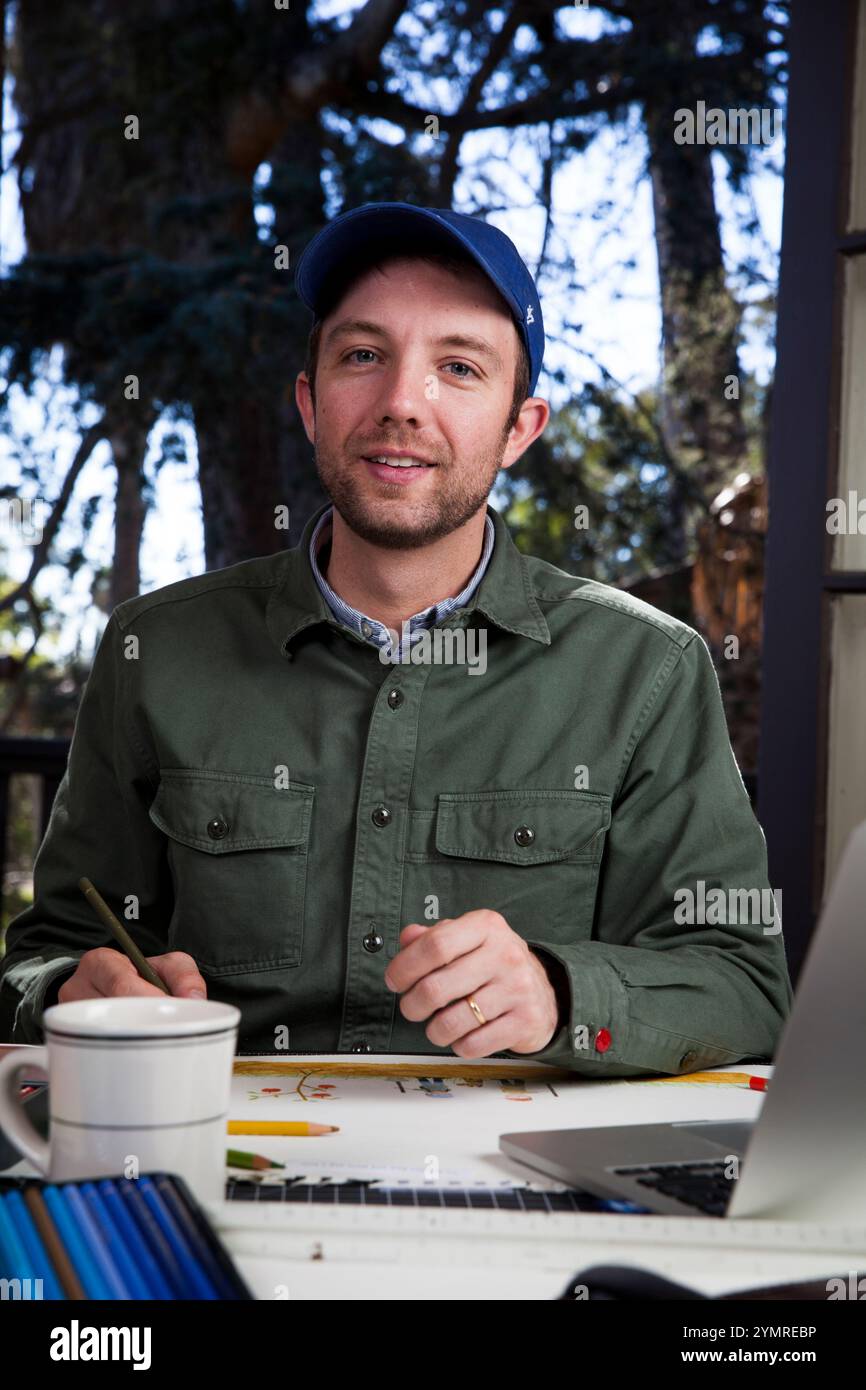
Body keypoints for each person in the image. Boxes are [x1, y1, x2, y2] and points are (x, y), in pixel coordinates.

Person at [0, 202, 792, 1072]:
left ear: (519, 428)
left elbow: (742, 988)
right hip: (206, 1152)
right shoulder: (155, 650)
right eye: (364, 356)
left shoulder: (649, 670)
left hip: (517, 1183)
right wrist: (73, 986)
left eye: (458, 367)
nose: (400, 404)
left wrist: (561, 995)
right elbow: (45, 954)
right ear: (311, 403)